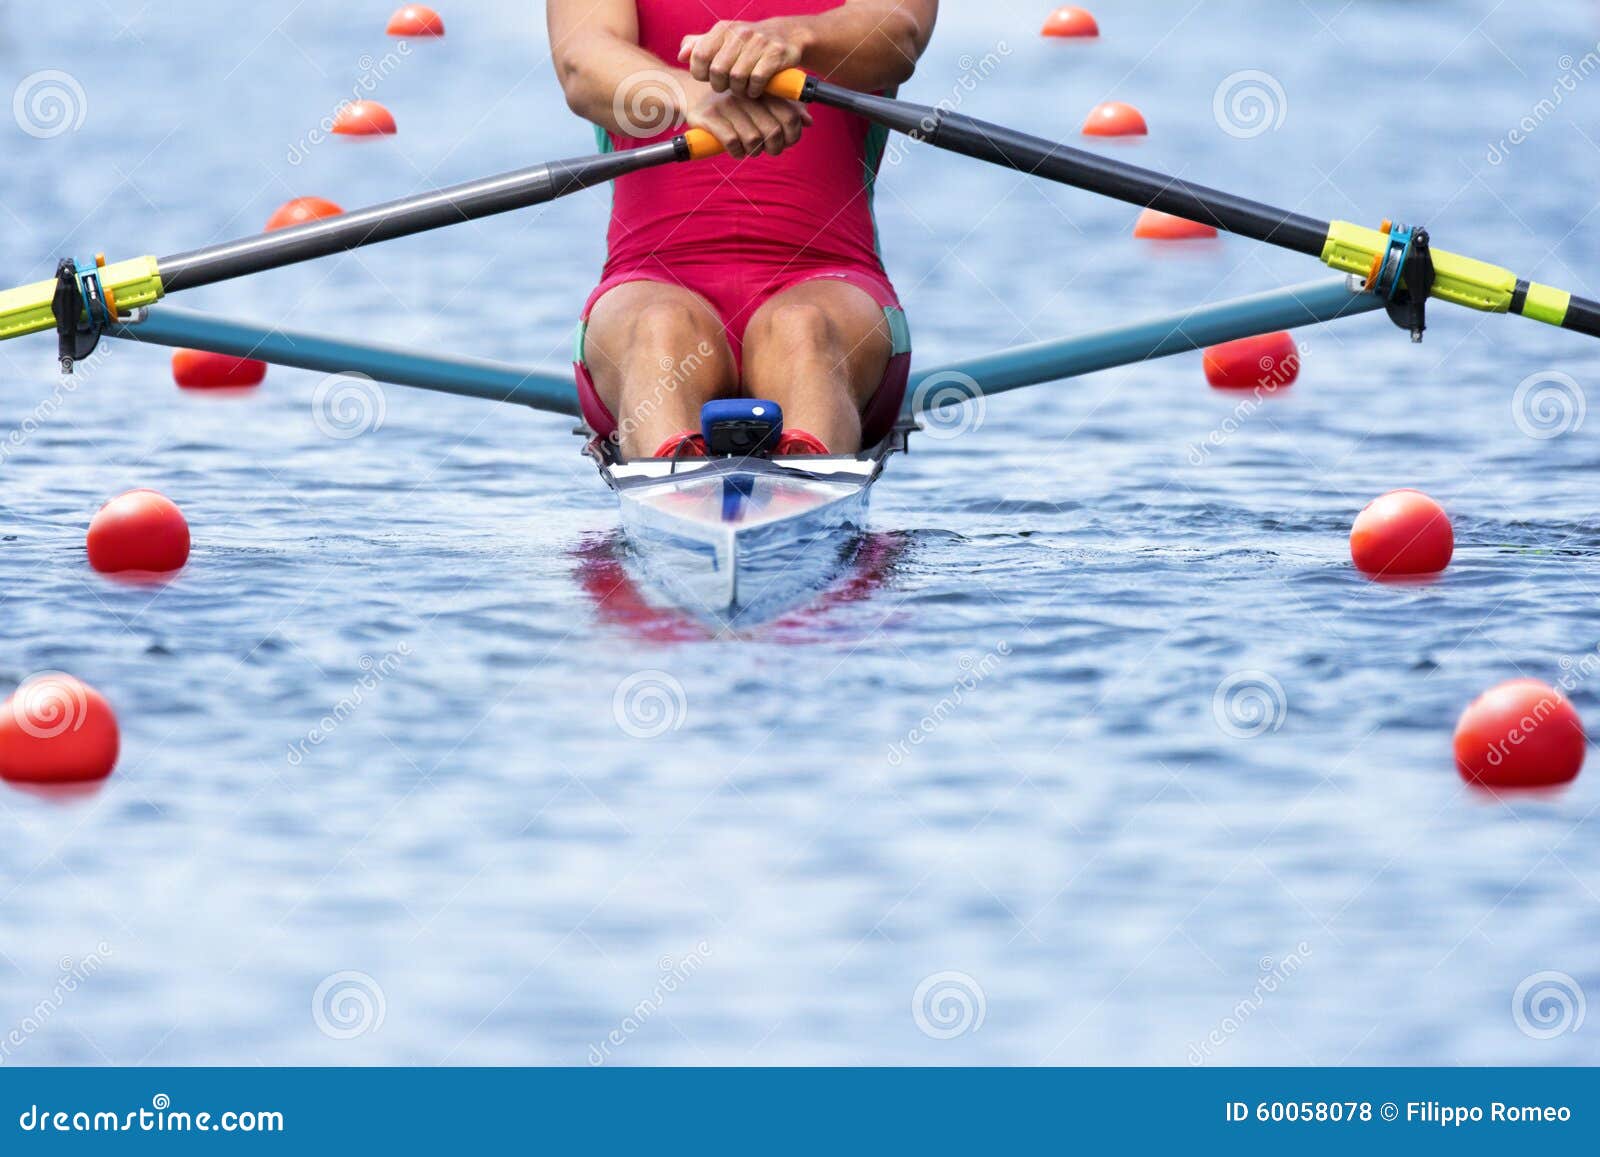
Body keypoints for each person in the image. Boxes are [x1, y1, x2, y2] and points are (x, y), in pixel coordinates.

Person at [549, 0, 938, 458]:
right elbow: (582, 61)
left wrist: (792, 37)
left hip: (834, 289)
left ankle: (786, 494)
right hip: (647, 288)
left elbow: (899, 35)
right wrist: (689, 94)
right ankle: (695, 498)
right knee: (660, 332)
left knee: (802, 330)